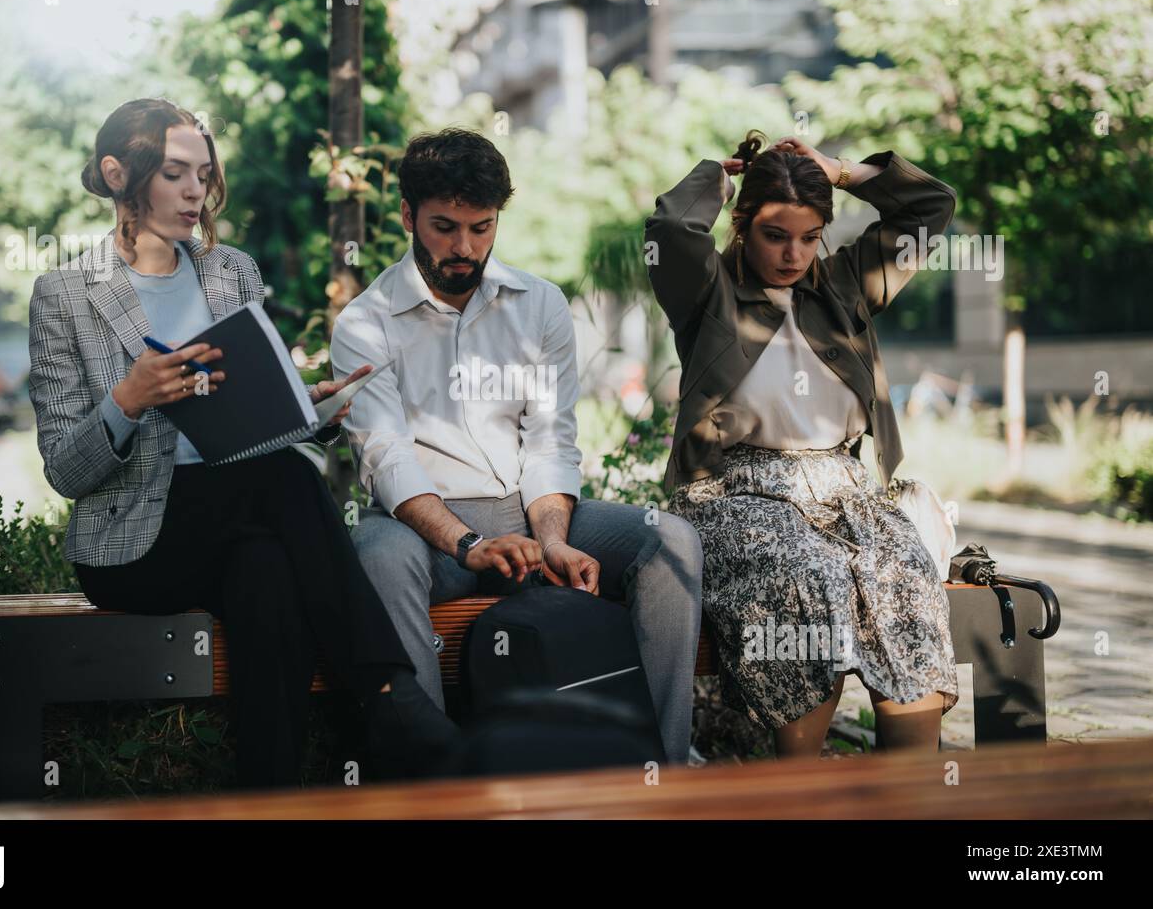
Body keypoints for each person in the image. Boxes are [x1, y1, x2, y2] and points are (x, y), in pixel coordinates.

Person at [26, 98, 458, 788]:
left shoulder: (232, 272)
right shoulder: (65, 293)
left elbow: (254, 413)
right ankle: (389, 697)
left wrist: (304, 409)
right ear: (117, 175)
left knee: (267, 578)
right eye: (174, 173)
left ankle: (269, 798)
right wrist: (128, 399)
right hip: (133, 542)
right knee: (283, 482)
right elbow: (64, 471)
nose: (196, 191)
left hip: (239, 521)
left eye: (203, 172)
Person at [330, 128, 703, 765]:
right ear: (407, 217)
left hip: (532, 516)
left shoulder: (541, 306)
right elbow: (385, 456)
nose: (464, 247)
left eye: (482, 226)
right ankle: (437, 775)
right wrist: (470, 545)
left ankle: (663, 766)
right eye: (445, 226)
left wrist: (554, 539)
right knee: (376, 558)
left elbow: (552, 441)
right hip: (425, 529)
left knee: (670, 540)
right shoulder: (365, 322)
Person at [644, 130, 960, 758]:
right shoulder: (707, 293)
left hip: (844, 489)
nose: (794, 254)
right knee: (804, 575)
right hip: (732, 491)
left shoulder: (847, 285)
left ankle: (911, 790)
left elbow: (931, 208)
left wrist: (838, 170)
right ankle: (801, 783)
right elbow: (673, 231)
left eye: (810, 236)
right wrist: (719, 173)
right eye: (774, 235)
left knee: (902, 573)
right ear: (741, 227)